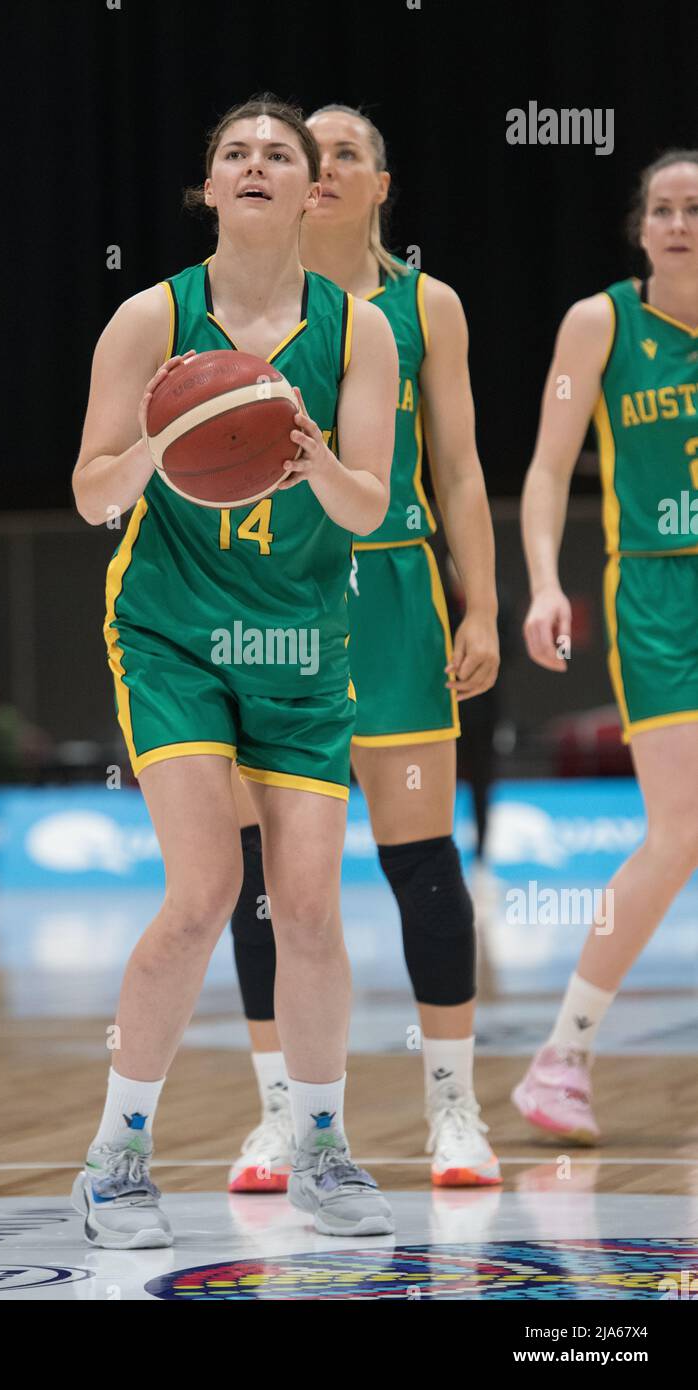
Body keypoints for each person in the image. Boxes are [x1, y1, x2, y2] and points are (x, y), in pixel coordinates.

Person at [70, 96, 399, 1247]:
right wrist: (169, 439)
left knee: (308, 910)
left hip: (302, 640)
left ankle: (320, 1145)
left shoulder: (361, 332)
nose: (255, 165)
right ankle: (116, 1157)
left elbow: (366, 510)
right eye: (233, 154)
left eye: (278, 154)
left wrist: (306, 454)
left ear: (313, 190)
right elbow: (91, 492)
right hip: (170, 633)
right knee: (205, 891)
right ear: (208, 187)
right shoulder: (146, 319)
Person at [227, 105, 501, 1193]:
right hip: (272, 596)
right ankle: (276, 1117)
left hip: (390, 584)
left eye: (347, 153)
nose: (325, 166)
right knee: (264, 874)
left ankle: (453, 1108)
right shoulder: (241, 299)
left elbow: (463, 469)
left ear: (380, 183)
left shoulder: (425, 305)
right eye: (312, 152)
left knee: (417, 856)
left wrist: (479, 604)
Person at [515, 149, 698, 1143]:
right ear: (638, 229)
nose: (676, 223)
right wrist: (542, 582)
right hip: (662, 589)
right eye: (660, 209)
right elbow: (546, 470)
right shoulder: (600, 324)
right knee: (677, 831)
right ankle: (561, 1056)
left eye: (693, 209)